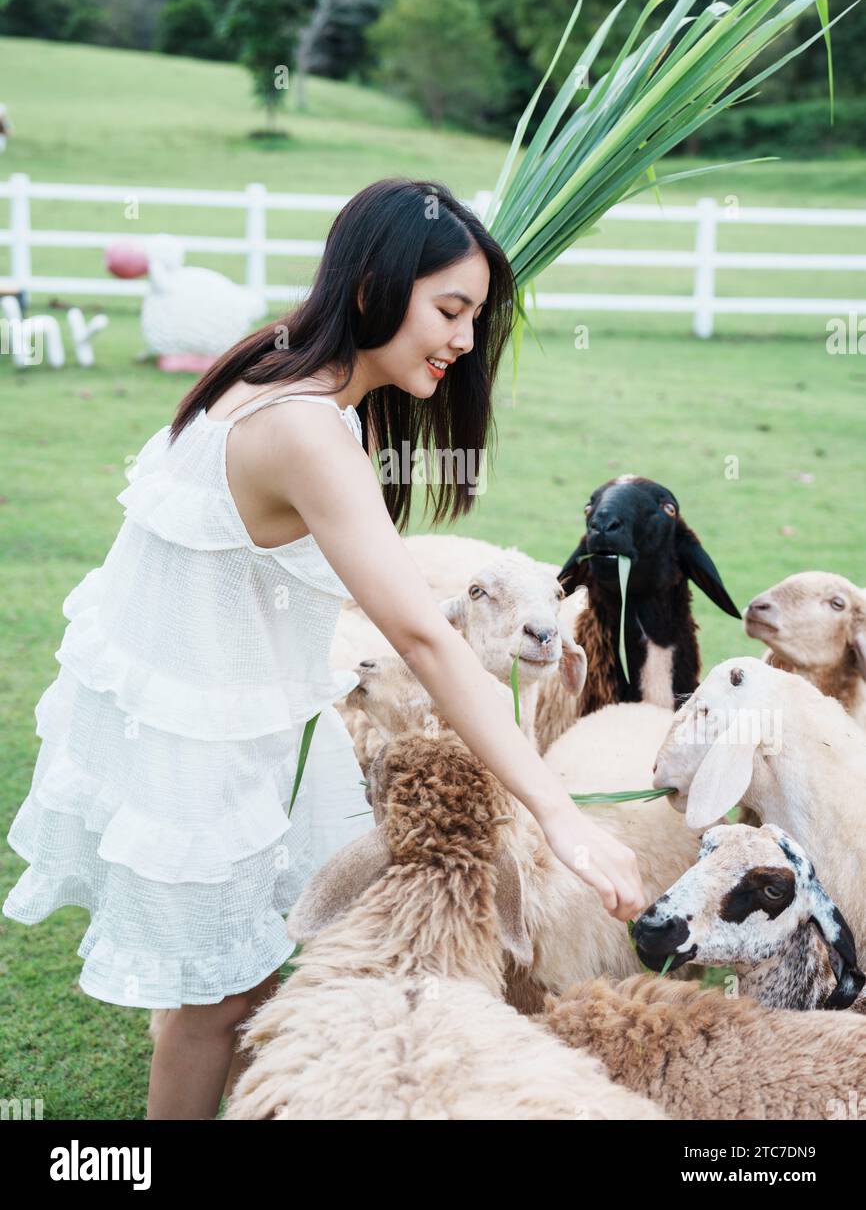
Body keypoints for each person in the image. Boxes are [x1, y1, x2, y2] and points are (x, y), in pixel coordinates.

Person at [2, 177, 645, 1120]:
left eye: (476, 316)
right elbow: (424, 638)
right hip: (200, 735)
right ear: (371, 287)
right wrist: (561, 815)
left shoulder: (282, 362)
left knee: (247, 974)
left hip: (219, 707)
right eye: (451, 310)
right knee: (214, 1004)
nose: (466, 341)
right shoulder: (305, 428)